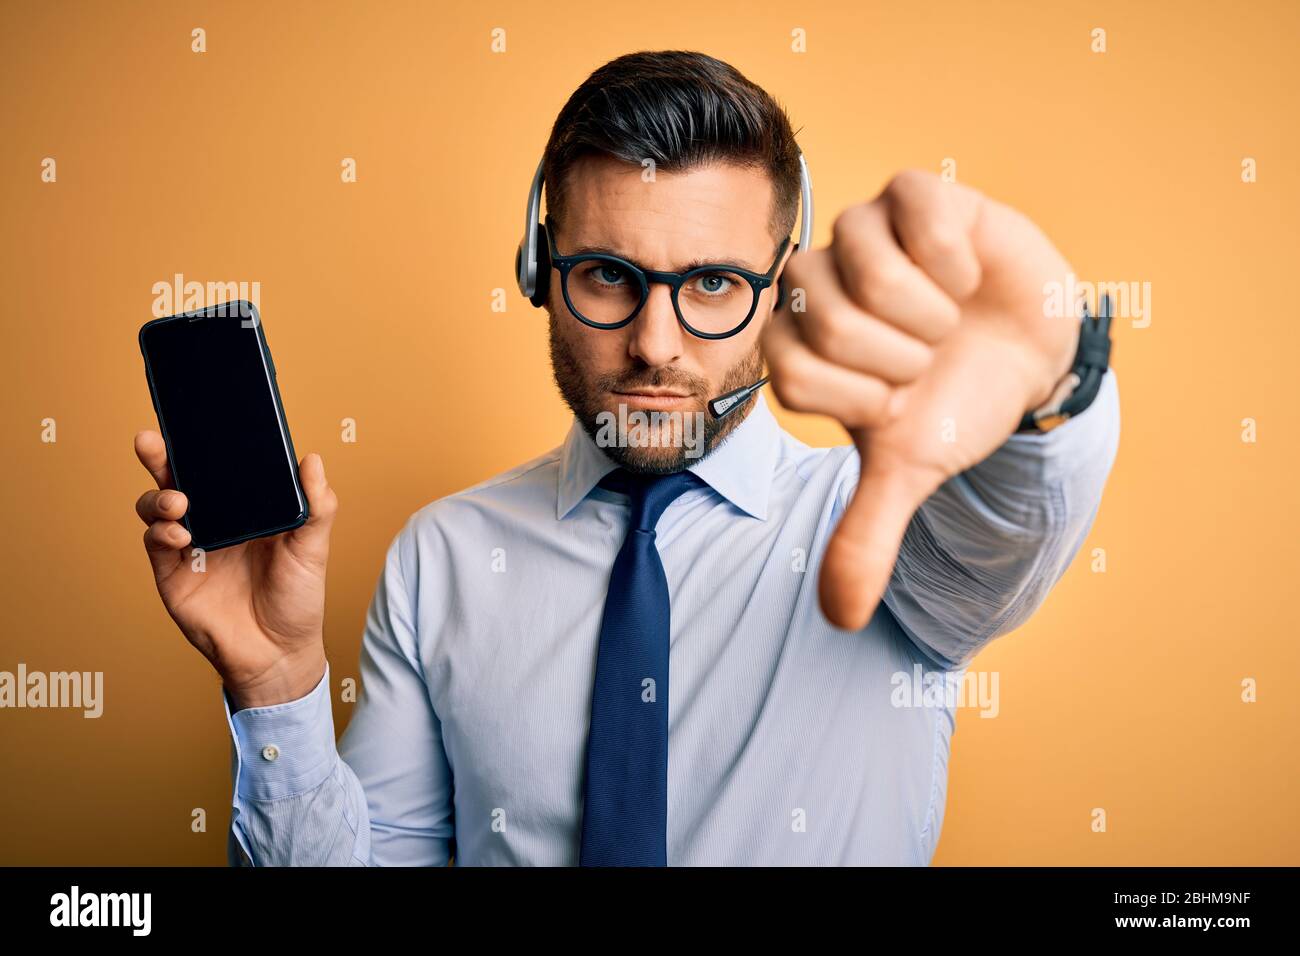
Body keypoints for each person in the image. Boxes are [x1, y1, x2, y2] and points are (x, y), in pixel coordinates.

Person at [132, 50, 1120, 866]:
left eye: (714, 282)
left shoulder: (886, 530)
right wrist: (275, 680)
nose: (656, 342)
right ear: (538, 270)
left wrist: (1057, 379)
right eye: (608, 274)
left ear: (779, 288)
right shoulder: (444, 554)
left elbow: (1009, 525)